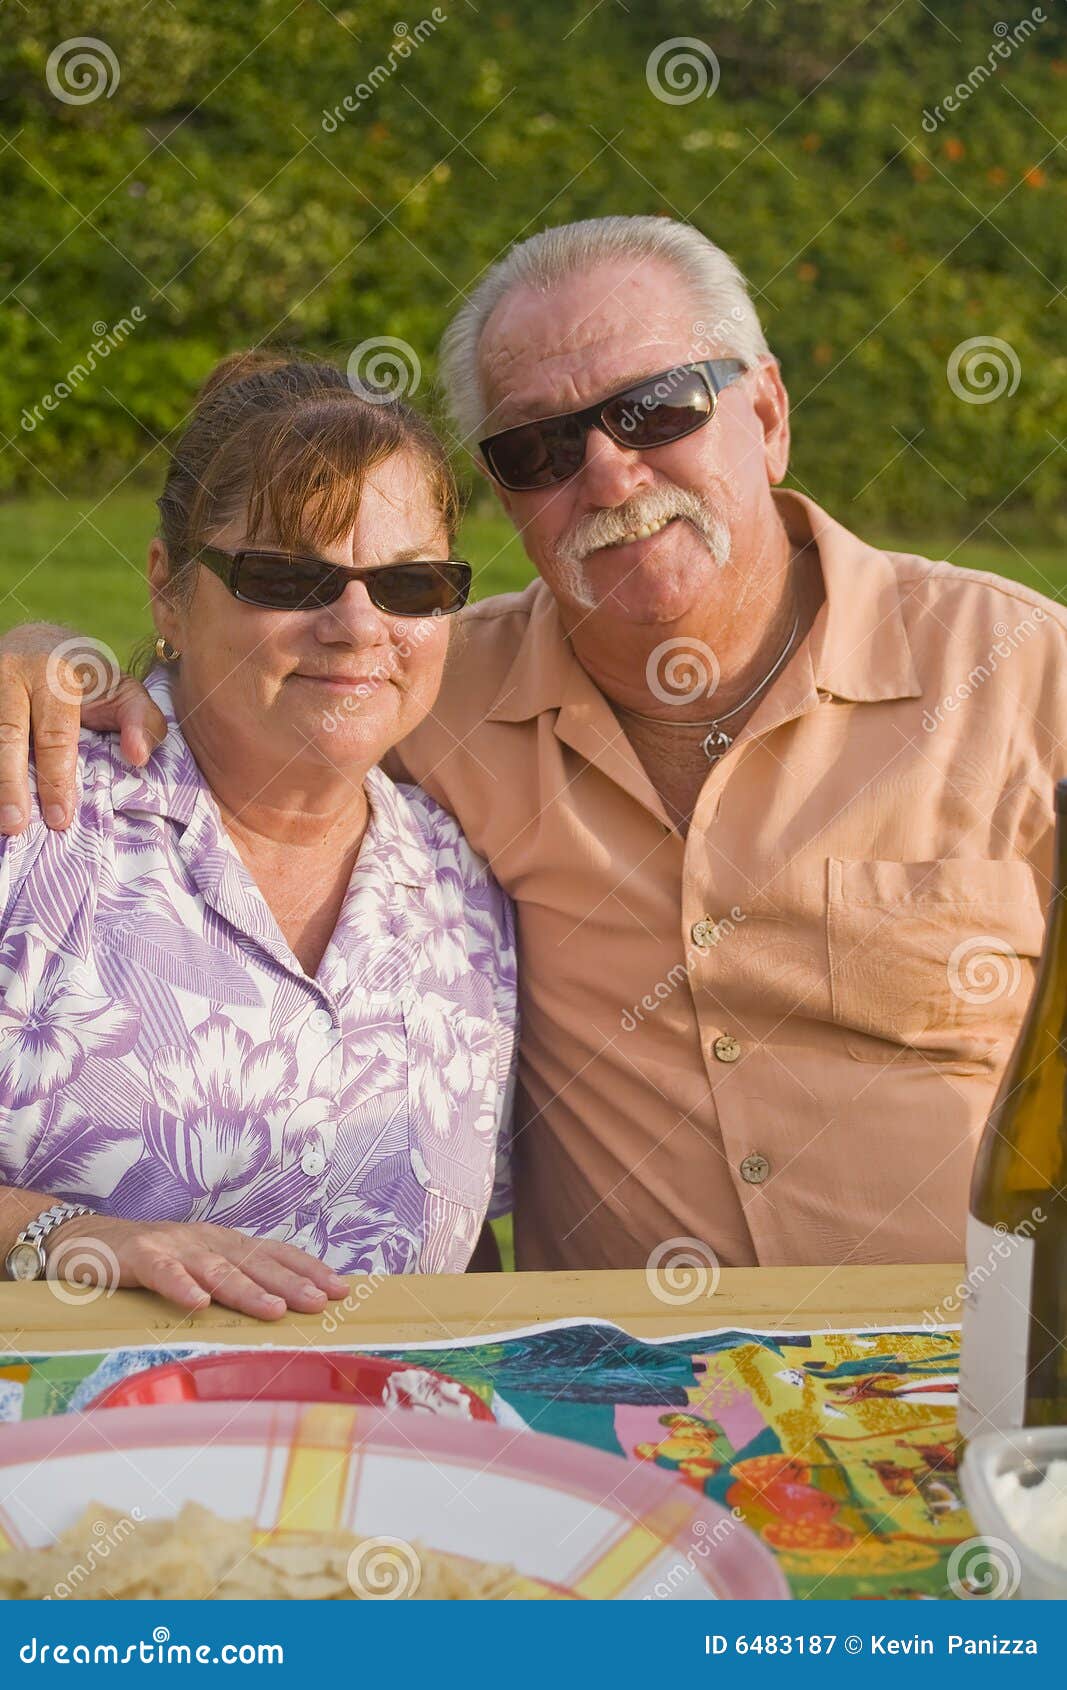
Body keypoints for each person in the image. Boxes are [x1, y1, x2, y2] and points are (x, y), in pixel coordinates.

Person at [3, 216, 1063, 1274]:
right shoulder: (412, 692)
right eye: (539, 447)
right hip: (609, 1405)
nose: (606, 473)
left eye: (654, 408)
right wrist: (41, 657)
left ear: (769, 412)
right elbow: (249, 689)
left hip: (955, 1385)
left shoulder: (1022, 673)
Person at [0, 351, 516, 1317]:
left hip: (380, 1455)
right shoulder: (32, 814)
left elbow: (462, 1235)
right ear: (167, 590)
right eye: (287, 576)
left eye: (409, 585)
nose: (358, 626)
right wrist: (61, 1235)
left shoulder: (462, 885)